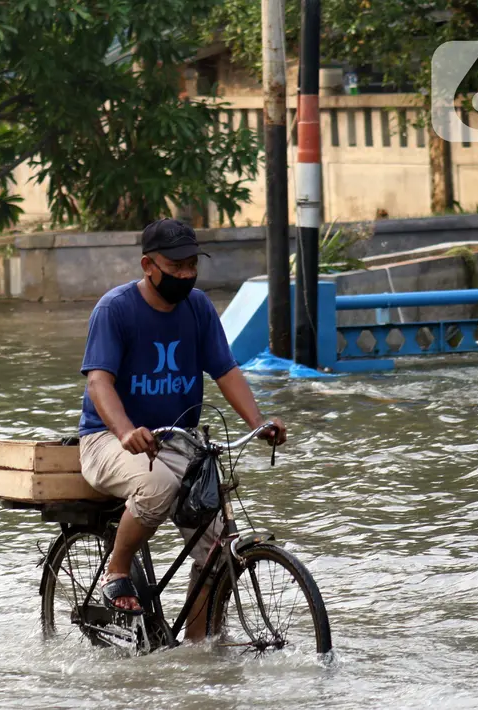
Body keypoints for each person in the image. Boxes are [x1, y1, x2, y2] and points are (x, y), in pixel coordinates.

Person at [77, 218, 287, 641]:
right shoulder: (115, 309)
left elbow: (225, 370)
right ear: (148, 266)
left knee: (218, 548)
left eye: (192, 265)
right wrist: (125, 431)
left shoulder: (198, 307)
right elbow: (99, 382)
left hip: (180, 441)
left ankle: (198, 650)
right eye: (176, 267)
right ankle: (117, 570)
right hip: (108, 440)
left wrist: (258, 422)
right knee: (156, 485)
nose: (186, 274)